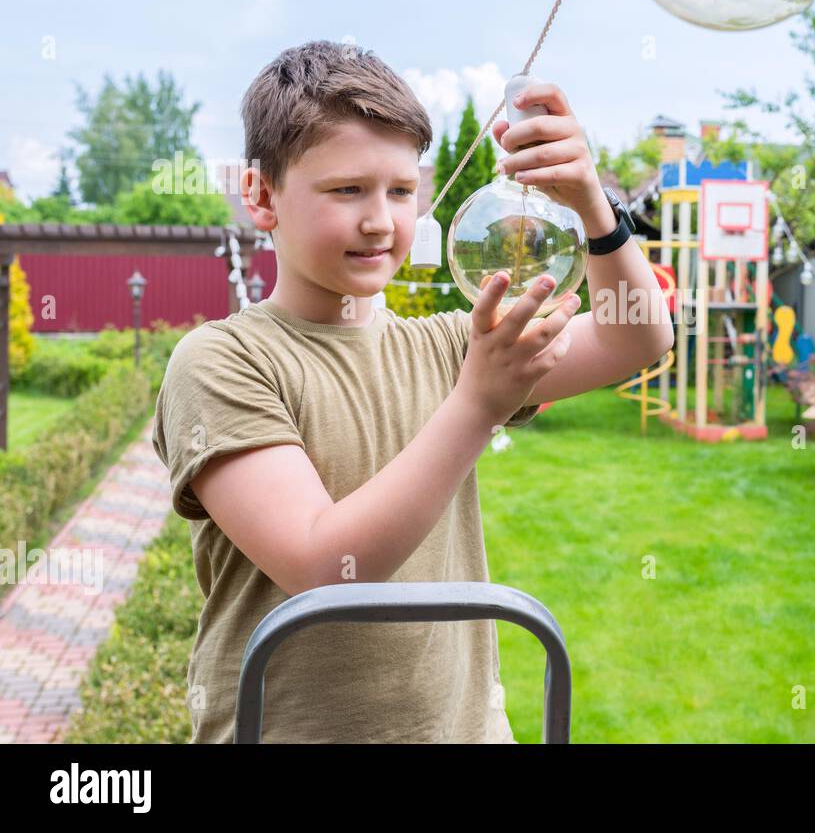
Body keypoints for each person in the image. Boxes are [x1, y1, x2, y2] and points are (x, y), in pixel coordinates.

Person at [152, 39, 674, 742]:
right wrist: (477, 407)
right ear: (261, 194)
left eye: (401, 191)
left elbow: (635, 338)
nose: (380, 220)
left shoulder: (449, 345)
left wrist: (591, 205)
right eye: (347, 190)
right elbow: (324, 568)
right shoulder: (223, 360)